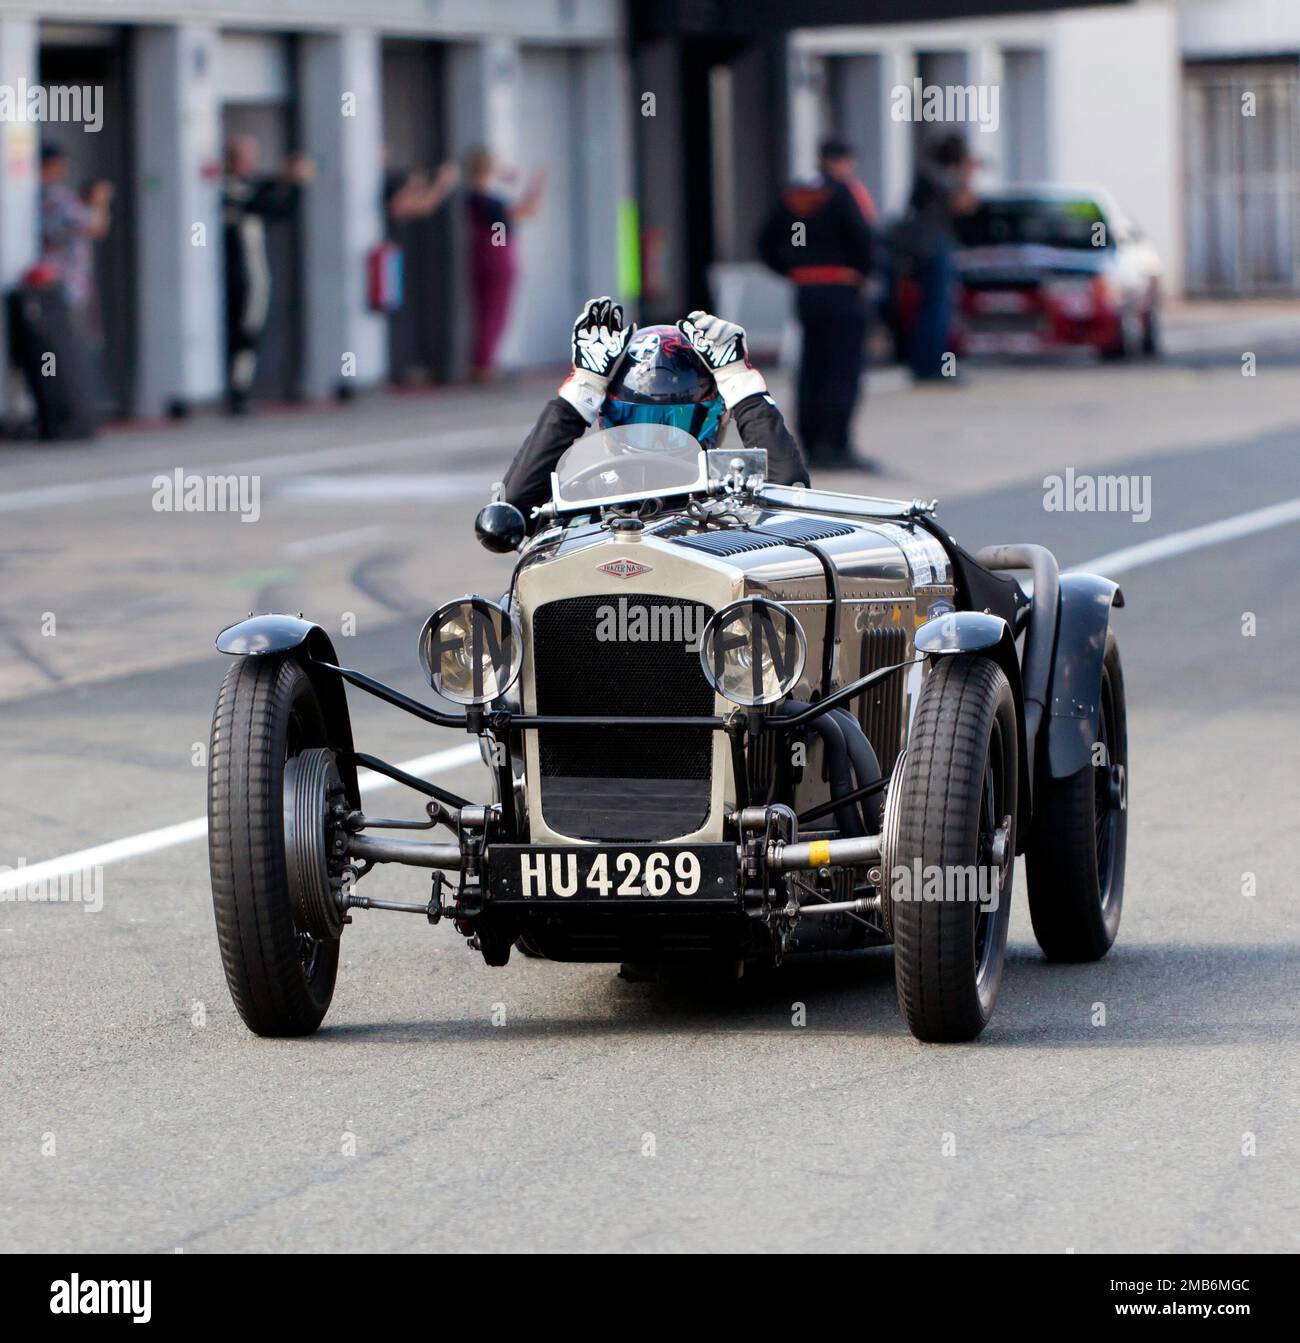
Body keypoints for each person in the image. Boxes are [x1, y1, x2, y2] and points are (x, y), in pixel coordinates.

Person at [501, 296, 809, 523]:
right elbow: (511, 510)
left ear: (715, 415)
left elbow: (793, 499)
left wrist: (739, 382)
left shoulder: (728, 496)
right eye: (640, 421)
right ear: (606, 413)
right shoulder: (587, 494)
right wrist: (584, 387)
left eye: (673, 422)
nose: (656, 441)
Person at [758, 136, 876, 470]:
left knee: (812, 369)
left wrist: (793, 269)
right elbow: (866, 240)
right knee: (842, 371)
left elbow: (766, 243)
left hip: (807, 293)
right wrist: (864, 272)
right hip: (843, 290)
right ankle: (837, 446)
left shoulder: (797, 194)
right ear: (844, 160)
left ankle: (810, 443)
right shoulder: (845, 193)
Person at [221, 133, 314, 414]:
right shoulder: (229, 188)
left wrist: (294, 183)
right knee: (241, 328)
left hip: (251, 272)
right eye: (244, 156)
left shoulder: (250, 187)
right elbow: (257, 202)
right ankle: (235, 391)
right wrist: (287, 181)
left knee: (249, 328)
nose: (250, 162)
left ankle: (241, 388)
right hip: (236, 273)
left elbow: (278, 208)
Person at [465, 147, 547, 381]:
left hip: (479, 254)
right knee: (496, 309)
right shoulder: (491, 201)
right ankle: (484, 364)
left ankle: (482, 361)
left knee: (484, 309)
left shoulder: (474, 199)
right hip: (498, 255)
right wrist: (537, 184)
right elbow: (527, 210)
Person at [903, 132, 979, 382]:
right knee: (937, 310)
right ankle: (933, 366)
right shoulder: (939, 178)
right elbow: (965, 205)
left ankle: (927, 364)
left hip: (927, 247)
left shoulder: (928, 176)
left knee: (933, 308)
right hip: (934, 248)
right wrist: (967, 177)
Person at [38, 143, 113, 318]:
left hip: (53, 279)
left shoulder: (36, 192)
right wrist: (100, 201)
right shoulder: (56, 196)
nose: (63, 170)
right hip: (63, 281)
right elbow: (96, 227)